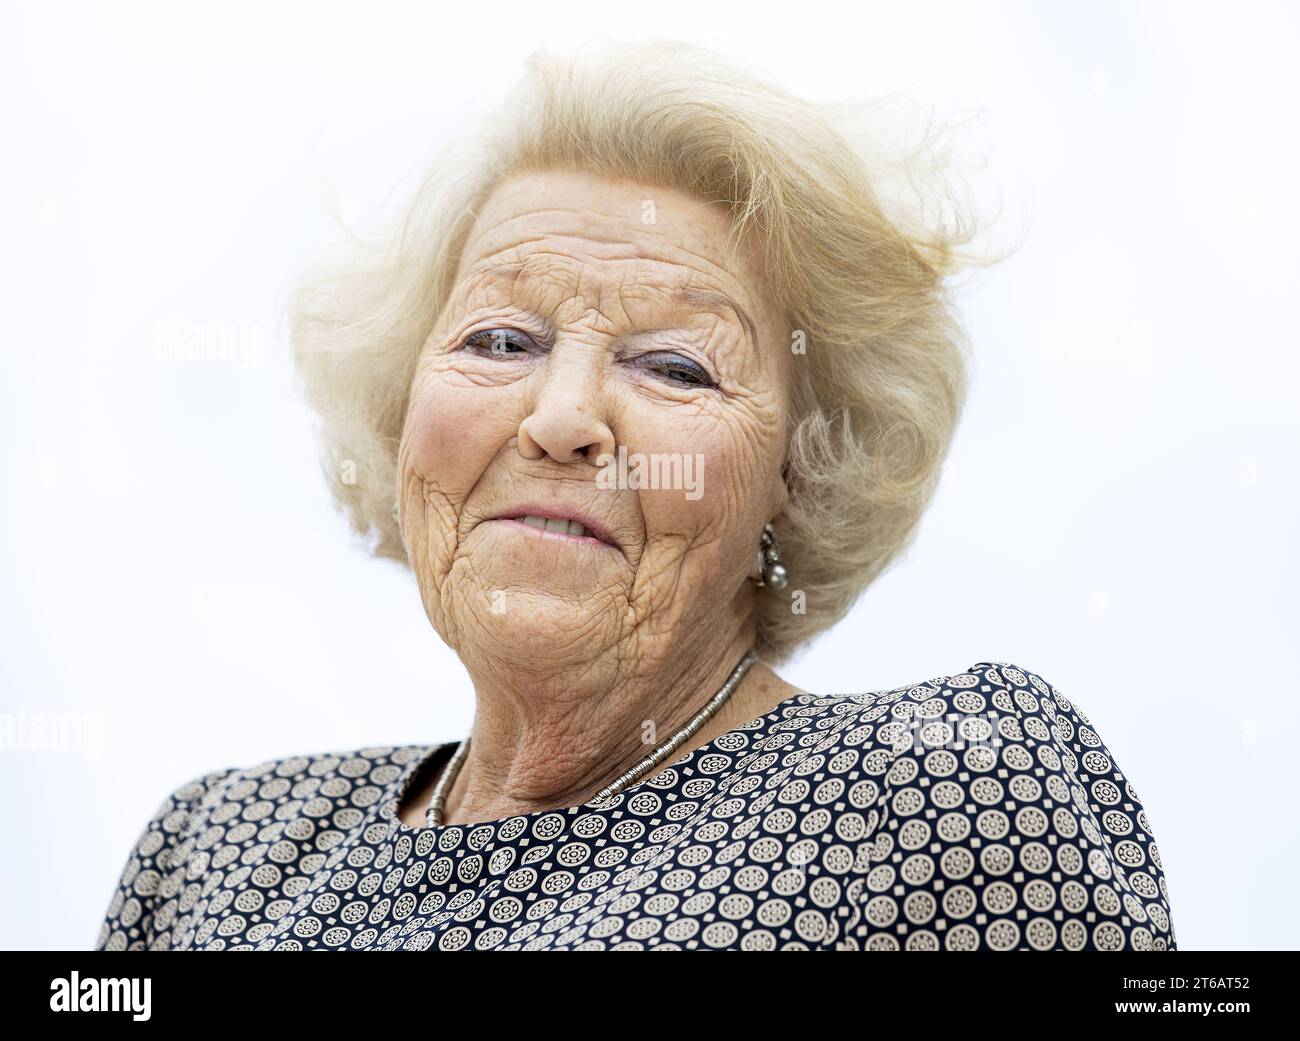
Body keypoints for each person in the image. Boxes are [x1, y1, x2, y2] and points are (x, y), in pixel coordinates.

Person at [95, 40, 1176, 951]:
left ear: (796, 474)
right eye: (500, 340)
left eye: (674, 367)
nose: (562, 417)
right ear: (402, 415)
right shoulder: (211, 858)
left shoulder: (945, 793)